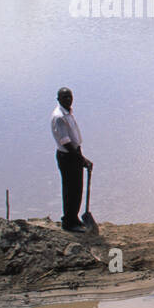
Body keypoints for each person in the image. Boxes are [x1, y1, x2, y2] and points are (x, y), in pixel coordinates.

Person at [50, 87, 92, 231]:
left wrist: (81, 157)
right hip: (68, 155)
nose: (68, 99)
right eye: (65, 97)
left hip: (74, 153)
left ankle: (74, 218)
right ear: (58, 99)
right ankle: (68, 222)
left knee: (77, 188)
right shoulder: (59, 117)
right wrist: (81, 159)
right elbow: (66, 142)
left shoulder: (68, 113)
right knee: (70, 189)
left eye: (69, 96)